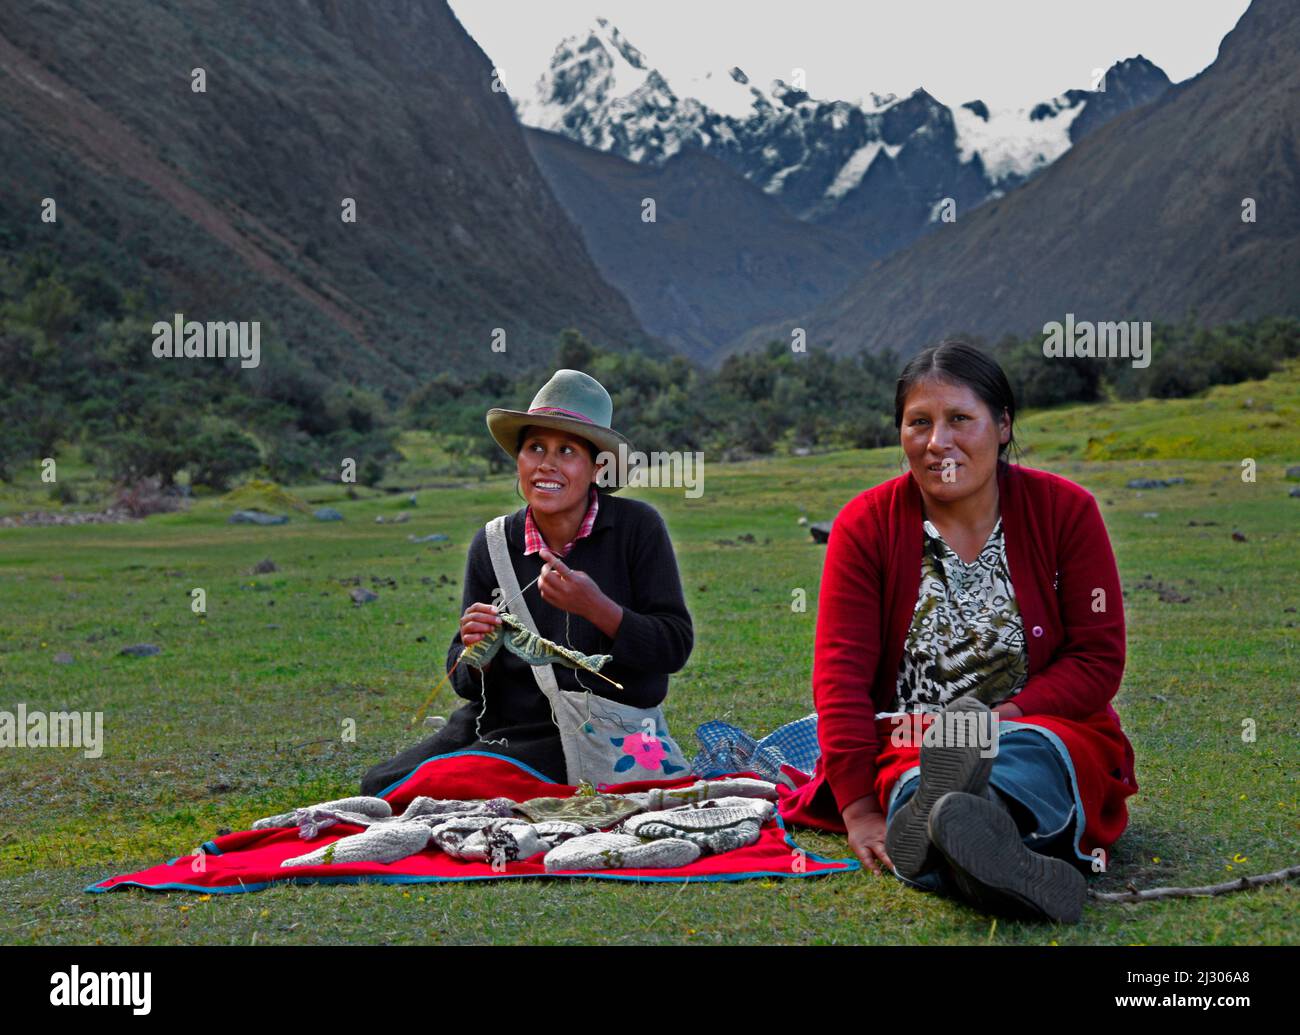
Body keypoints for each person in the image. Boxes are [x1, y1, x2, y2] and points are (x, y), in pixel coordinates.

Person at [778, 340, 1138, 922]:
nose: (936, 441)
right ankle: (980, 842)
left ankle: (960, 827)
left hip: (1037, 725)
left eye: (959, 419)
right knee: (915, 777)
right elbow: (840, 677)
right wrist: (858, 808)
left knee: (1030, 757)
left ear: (1002, 425)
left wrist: (1001, 720)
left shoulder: (1066, 512)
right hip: (912, 742)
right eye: (918, 422)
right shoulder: (865, 527)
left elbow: (1096, 659)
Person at [360, 369, 694, 796]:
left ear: (597, 467)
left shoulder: (637, 528)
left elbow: (673, 646)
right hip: (504, 726)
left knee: (451, 787)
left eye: (567, 450)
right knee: (383, 786)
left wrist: (597, 608)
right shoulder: (494, 543)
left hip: (602, 727)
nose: (547, 464)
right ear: (519, 460)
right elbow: (465, 680)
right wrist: (474, 650)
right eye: (535, 447)